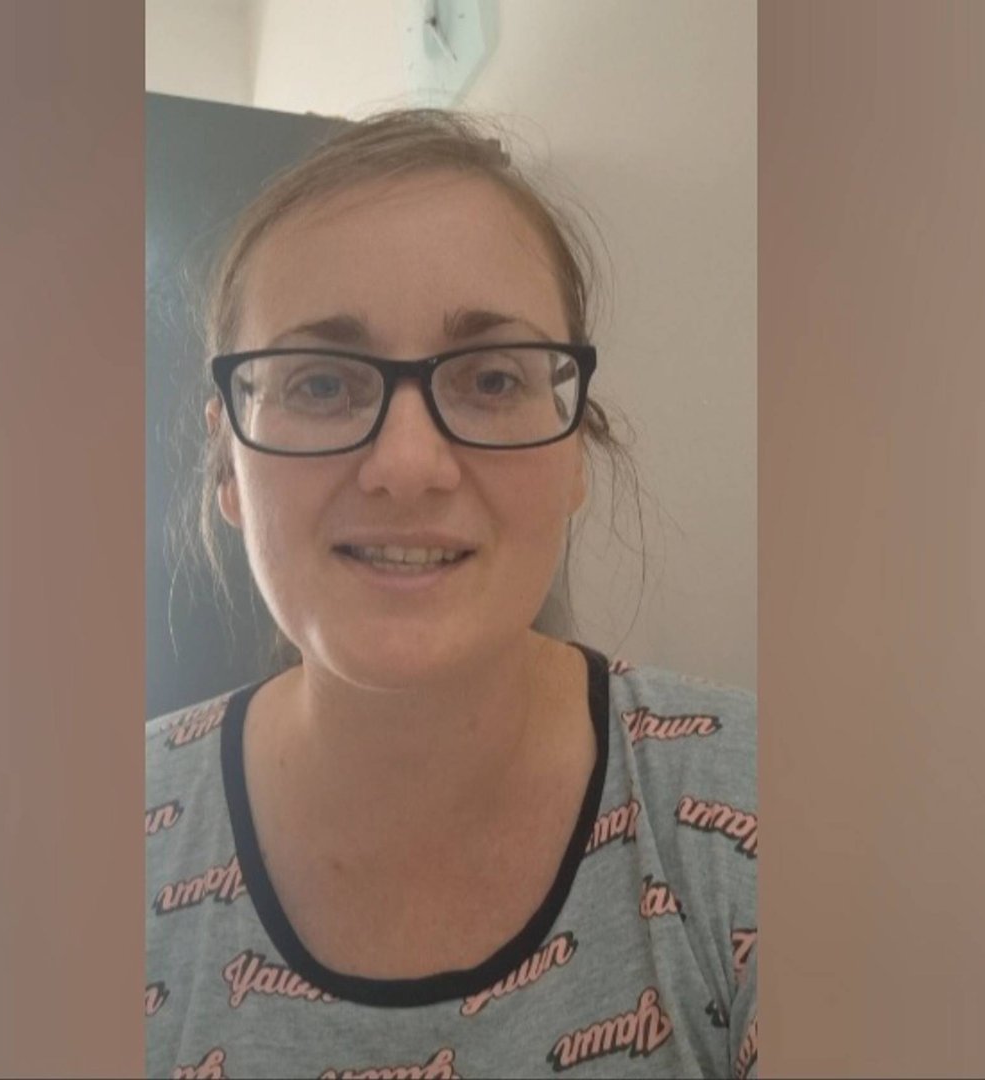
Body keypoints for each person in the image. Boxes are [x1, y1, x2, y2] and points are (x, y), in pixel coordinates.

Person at [145, 109, 758, 1079]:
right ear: (226, 464)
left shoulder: (755, 808)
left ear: (576, 454)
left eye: (491, 379)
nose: (408, 466)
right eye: (320, 385)